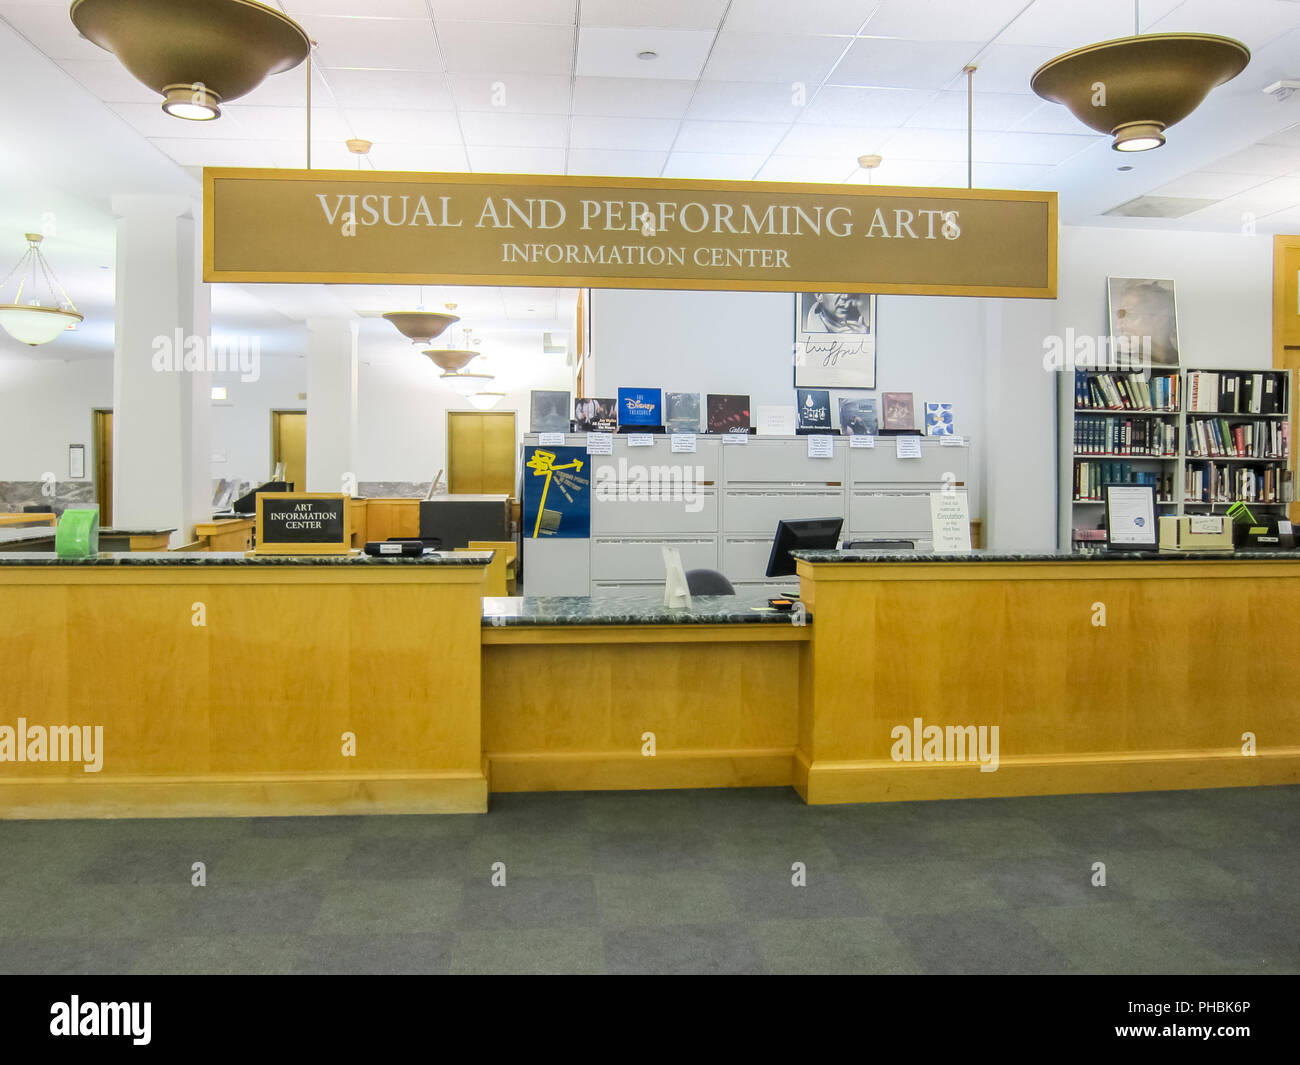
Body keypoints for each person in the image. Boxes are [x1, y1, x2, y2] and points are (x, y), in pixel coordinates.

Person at [1111, 279, 1178, 367]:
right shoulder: (1118, 362)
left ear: (1161, 318)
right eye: (1120, 315)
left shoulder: (1180, 361)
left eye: (1130, 314)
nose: (1118, 326)